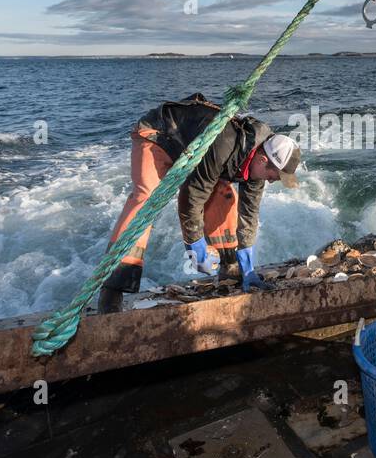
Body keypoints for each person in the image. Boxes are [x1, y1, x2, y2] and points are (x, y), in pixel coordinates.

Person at [98, 93, 301, 312]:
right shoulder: (224, 144)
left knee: (224, 195)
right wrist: (195, 244)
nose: (272, 181)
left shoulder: (258, 165)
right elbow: (192, 196)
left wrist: (248, 264)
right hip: (160, 135)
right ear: (263, 160)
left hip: (196, 149)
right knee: (146, 198)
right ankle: (112, 288)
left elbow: (249, 213)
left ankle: (230, 267)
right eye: (274, 176)